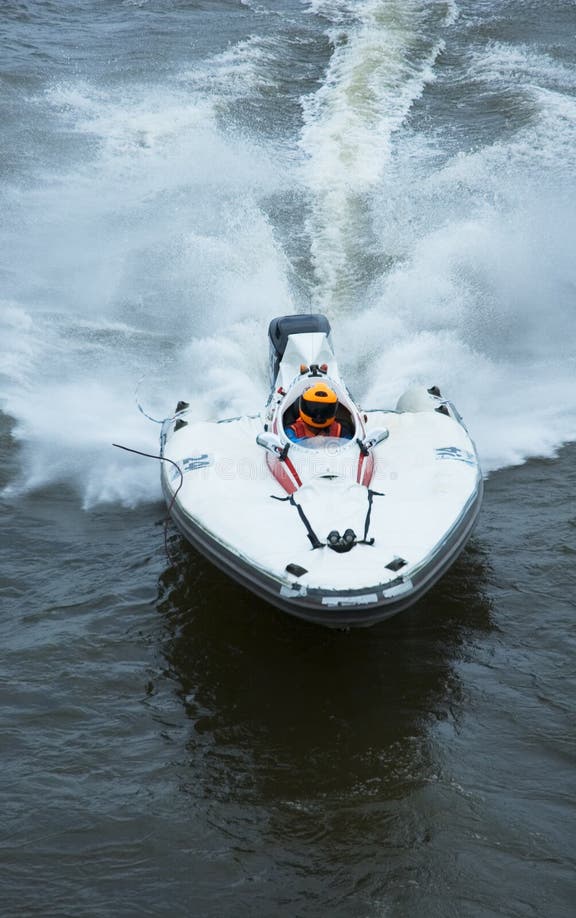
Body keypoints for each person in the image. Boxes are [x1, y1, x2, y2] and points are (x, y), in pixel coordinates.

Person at [285, 382, 353, 442]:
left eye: (324, 411)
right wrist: (309, 442)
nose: (318, 416)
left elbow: (350, 443)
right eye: (313, 409)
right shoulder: (293, 430)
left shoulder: (339, 429)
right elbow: (289, 441)